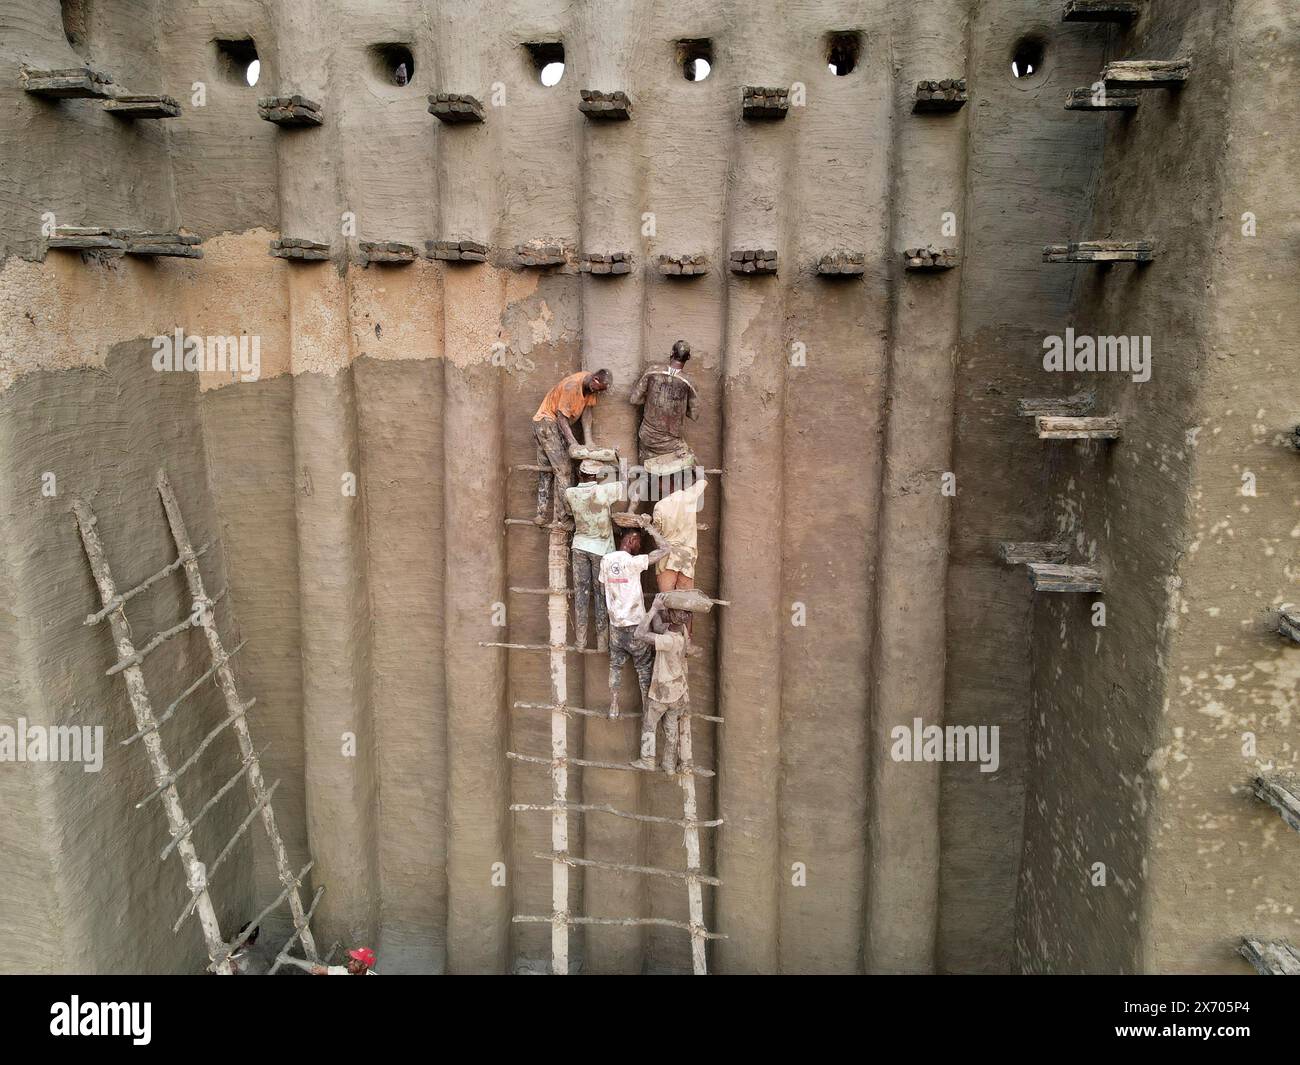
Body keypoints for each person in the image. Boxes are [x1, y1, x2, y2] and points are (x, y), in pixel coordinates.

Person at [599, 518, 670, 718]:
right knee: (644, 667)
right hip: (636, 626)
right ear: (631, 540)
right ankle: (647, 709)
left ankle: (614, 704)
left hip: (616, 626)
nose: (640, 547)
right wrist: (649, 527)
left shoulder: (606, 560)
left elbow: (603, 586)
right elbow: (665, 549)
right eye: (638, 542)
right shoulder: (632, 562)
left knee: (615, 665)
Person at [532, 369, 612, 524]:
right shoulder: (572, 386)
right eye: (597, 389)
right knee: (563, 469)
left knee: (551, 469)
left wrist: (589, 441)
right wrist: (573, 444)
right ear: (595, 379)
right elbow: (562, 419)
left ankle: (542, 515)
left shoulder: (591, 388)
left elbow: (587, 414)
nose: (597, 393)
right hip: (547, 423)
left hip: (554, 424)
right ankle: (564, 514)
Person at [565, 461, 622, 651]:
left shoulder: (570, 493)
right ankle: (601, 643)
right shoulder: (603, 491)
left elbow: (567, 511)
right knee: (601, 595)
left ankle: (580, 642)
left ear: (579, 475)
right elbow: (623, 482)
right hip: (601, 550)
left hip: (579, 546)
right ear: (596, 477)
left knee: (581, 594)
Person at [630, 595, 691, 773]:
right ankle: (669, 765)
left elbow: (639, 633)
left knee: (649, 725)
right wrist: (655, 606)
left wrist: (653, 610)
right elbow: (658, 627)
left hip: (662, 693)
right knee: (671, 730)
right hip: (678, 692)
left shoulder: (668, 640)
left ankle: (647, 760)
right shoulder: (682, 631)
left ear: (671, 616)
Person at [630, 340, 700, 460]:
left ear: (671, 353)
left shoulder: (652, 371)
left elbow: (634, 399)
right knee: (692, 466)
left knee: (646, 468)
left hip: (647, 436)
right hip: (671, 442)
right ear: (688, 357)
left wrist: (651, 401)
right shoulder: (689, 382)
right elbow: (694, 415)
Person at [312, 946, 378, 975]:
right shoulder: (344, 971)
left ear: (364, 966)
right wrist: (316, 969)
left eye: (356, 961)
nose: (350, 962)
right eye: (352, 959)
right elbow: (321, 970)